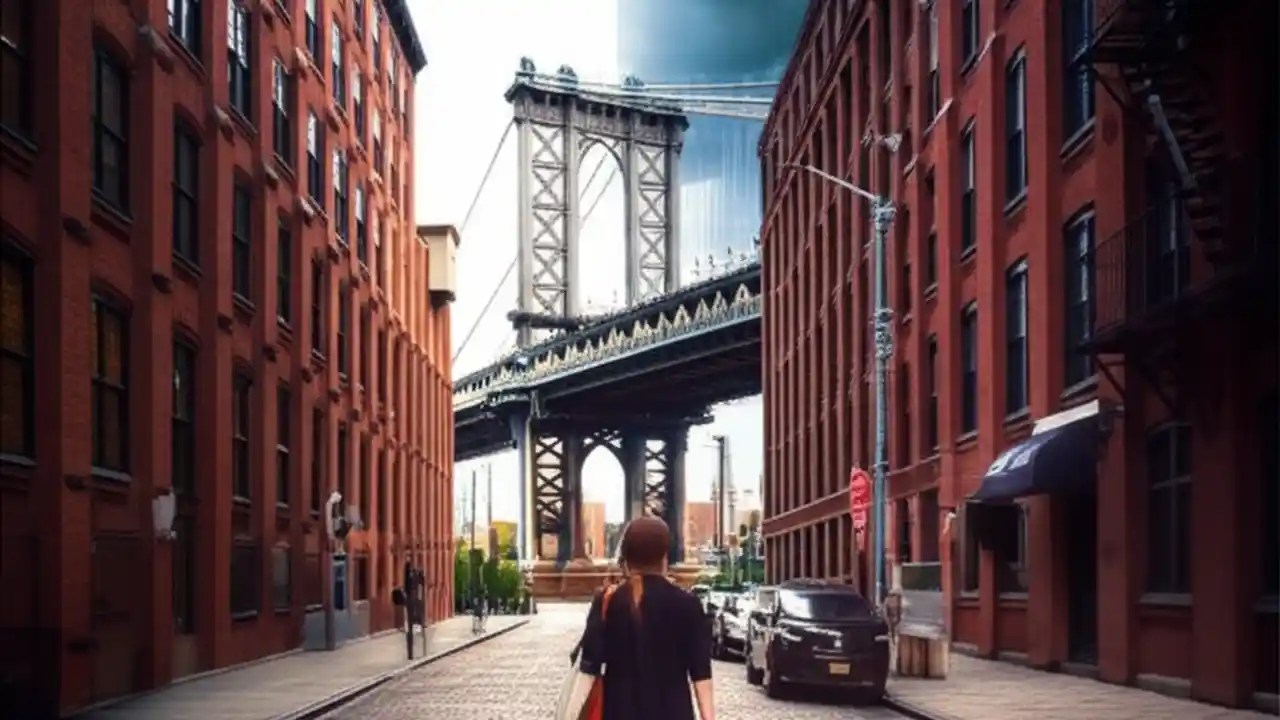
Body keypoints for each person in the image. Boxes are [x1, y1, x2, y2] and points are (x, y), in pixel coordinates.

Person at [576, 516, 715, 720]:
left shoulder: (607, 602)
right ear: (664, 555)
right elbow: (701, 675)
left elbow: (589, 668)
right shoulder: (688, 605)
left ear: (626, 557)